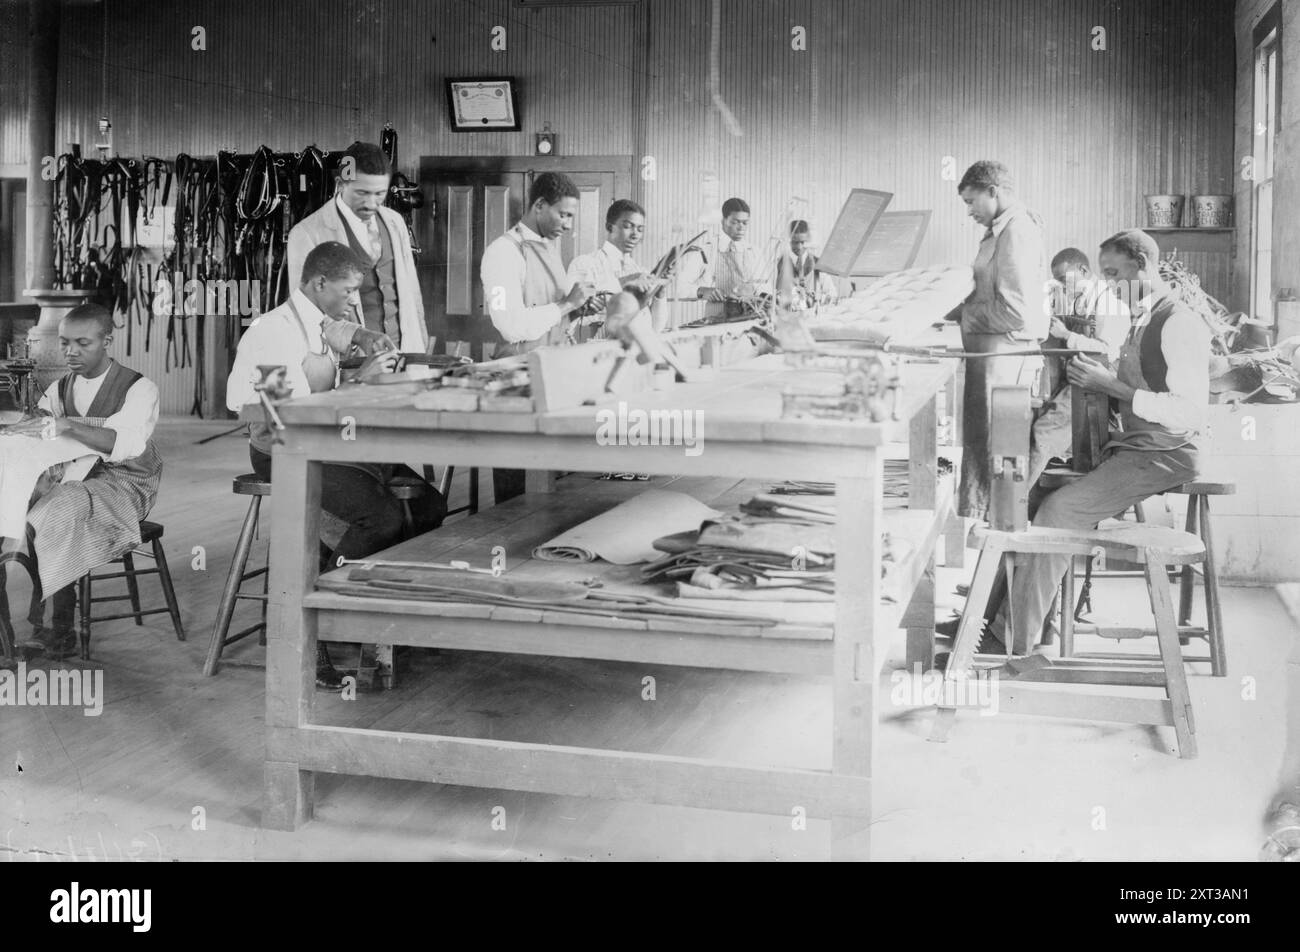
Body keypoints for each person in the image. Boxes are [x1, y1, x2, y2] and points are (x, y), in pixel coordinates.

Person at [227, 242, 447, 686]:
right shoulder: (272, 333)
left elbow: (340, 338)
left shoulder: (323, 321)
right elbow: (284, 413)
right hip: (283, 449)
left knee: (428, 506)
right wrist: (357, 383)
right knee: (380, 518)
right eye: (348, 290)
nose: (354, 300)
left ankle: (378, 615)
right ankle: (318, 622)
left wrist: (367, 349)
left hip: (329, 443)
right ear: (318, 283)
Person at [984, 229, 1210, 655]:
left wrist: (1113, 386)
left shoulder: (1177, 321)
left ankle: (1013, 640)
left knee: (1060, 509)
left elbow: (1190, 413)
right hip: (1138, 444)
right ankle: (994, 621)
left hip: (1169, 452)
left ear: (1142, 264)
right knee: (1030, 500)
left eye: (1113, 273)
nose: (1107, 284)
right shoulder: (1144, 314)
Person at [0, 304, 161, 661]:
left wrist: (67, 426)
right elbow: (42, 423)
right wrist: (30, 424)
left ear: (107, 340)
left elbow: (127, 445)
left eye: (82, 343)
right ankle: (14, 632)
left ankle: (60, 628)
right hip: (75, 475)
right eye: (64, 343)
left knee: (55, 509)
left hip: (123, 482)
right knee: (16, 505)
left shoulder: (138, 388)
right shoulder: (62, 387)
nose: (70, 352)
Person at [480, 171, 594, 502]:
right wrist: (565, 304)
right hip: (517, 381)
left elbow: (551, 315)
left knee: (554, 485)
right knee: (518, 495)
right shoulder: (502, 253)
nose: (569, 224)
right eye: (564, 214)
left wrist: (575, 309)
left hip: (551, 377)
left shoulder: (548, 247)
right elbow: (509, 326)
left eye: (572, 215)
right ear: (540, 205)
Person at [952, 160, 1049, 523]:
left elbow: (1017, 312)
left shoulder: (1018, 232)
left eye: (971, 201)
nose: (969, 211)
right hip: (994, 362)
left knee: (1005, 469)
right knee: (989, 462)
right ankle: (995, 575)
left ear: (993, 191)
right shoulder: (999, 230)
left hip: (1009, 365)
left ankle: (1007, 570)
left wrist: (965, 315)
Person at [286, 141, 427, 353]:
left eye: (379, 194)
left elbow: (412, 294)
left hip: (404, 356)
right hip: (350, 364)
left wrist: (420, 346)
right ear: (341, 184)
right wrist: (358, 336)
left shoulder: (394, 221)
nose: (371, 203)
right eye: (362, 193)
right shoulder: (307, 233)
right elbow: (305, 312)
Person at [1029, 247, 1130, 494]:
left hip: (1098, 383)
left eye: (1064, 280)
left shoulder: (1109, 302)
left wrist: (1066, 335)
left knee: (1044, 435)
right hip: (1078, 376)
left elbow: (1108, 352)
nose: (1062, 287)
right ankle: (1034, 501)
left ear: (1084, 270)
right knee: (1030, 418)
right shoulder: (1079, 299)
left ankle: (1013, 504)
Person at [565, 199, 657, 339]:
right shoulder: (584, 264)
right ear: (609, 227)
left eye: (640, 229)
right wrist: (624, 282)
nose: (635, 234)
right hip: (596, 350)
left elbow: (653, 328)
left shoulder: (639, 270)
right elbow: (568, 315)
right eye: (628, 226)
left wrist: (659, 296)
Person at [677, 197, 766, 302]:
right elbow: (679, 288)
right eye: (735, 222)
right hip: (715, 316)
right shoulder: (706, 251)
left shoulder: (755, 252)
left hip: (748, 316)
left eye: (744, 223)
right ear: (723, 221)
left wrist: (754, 288)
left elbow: (766, 287)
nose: (740, 227)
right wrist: (702, 291)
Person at [784, 219, 838, 308]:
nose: (799, 247)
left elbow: (833, 296)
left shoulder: (818, 264)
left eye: (802, 242)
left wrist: (814, 299)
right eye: (795, 242)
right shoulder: (780, 264)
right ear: (789, 241)